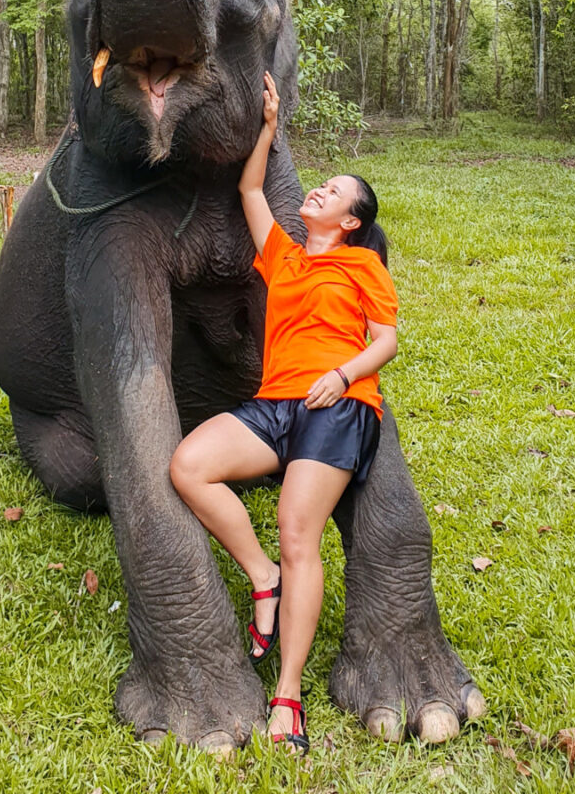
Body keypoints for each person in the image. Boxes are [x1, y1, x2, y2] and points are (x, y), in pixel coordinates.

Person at [170, 72, 398, 754]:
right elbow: (248, 190)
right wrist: (269, 124)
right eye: (319, 184)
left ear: (350, 221)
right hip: (272, 407)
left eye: (332, 191)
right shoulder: (286, 258)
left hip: (337, 406)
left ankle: (287, 696)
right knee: (189, 466)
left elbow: (386, 339)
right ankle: (260, 577)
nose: (316, 190)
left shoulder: (362, 268)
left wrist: (342, 372)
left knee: (298, 533)